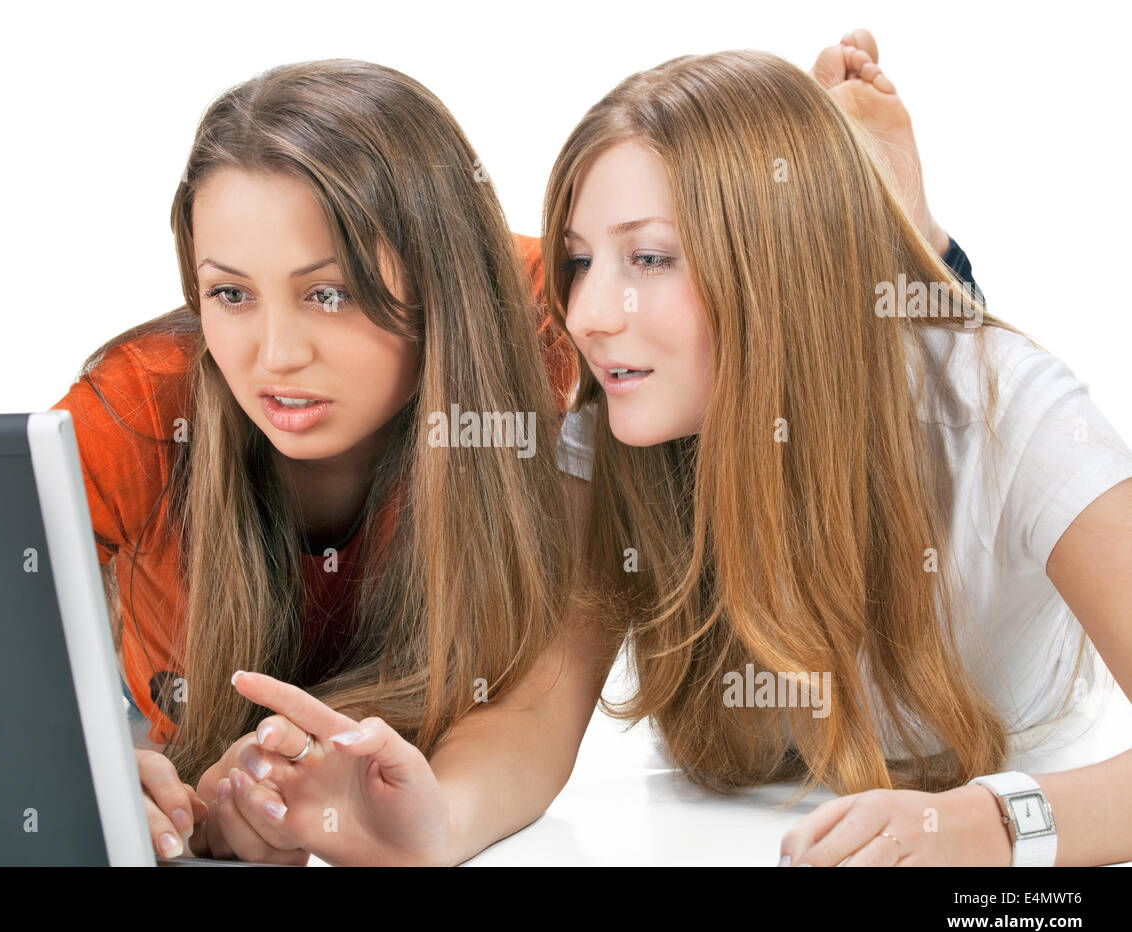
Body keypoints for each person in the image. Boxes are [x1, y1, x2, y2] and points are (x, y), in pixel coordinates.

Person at [213, 34, 1112, 867]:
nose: (591, 316)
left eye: (649, 259)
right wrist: (433, 820)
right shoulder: (613, 429)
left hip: (897, 395)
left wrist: (993, 823)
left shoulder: (1014, 413)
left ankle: (905, 240)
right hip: (813, 390)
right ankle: (875, 222)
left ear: (772, 265)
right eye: (577, 261)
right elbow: (534, 707)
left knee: (904, 352)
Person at [51, 58, 604, 864]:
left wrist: (430, 827)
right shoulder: (138, 406)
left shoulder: (551, 326)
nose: (275, 356)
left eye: (330, 293)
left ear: (443, 280)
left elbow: (538, 706)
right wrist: (73, 765)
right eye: (231, 294)